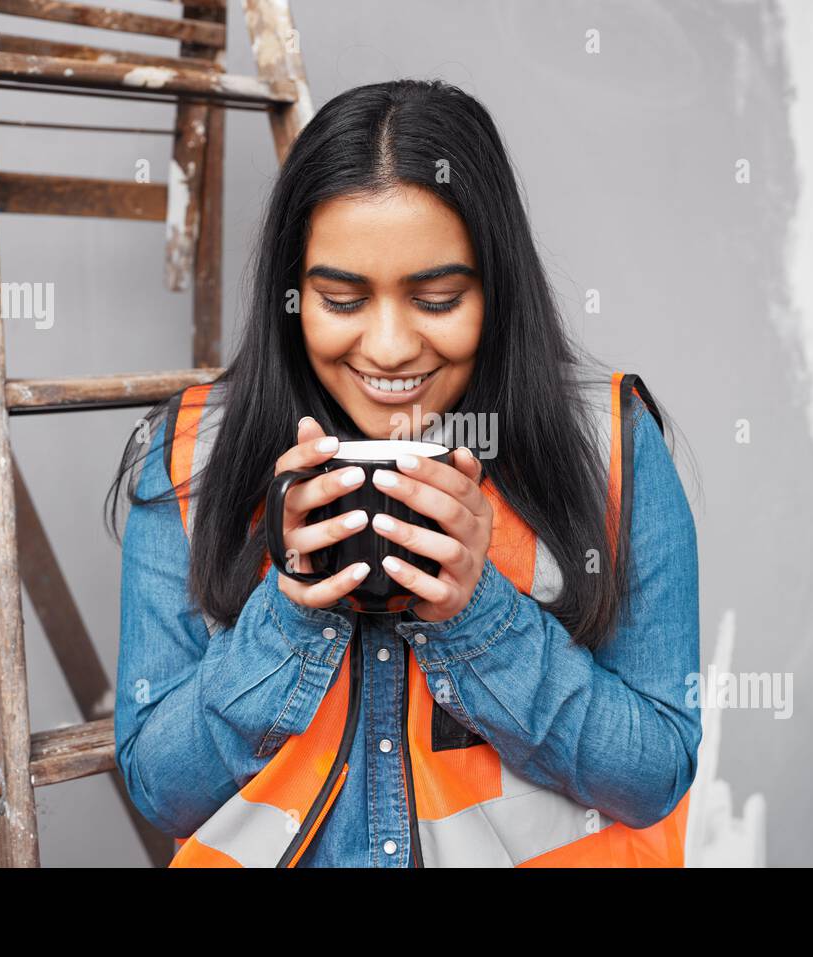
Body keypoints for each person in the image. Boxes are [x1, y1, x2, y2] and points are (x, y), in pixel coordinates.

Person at [108, 79, 701, 867]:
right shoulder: (195, 454)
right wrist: (291, 613)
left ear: (498, 290)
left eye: (438, 297)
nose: (388, 348)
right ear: (293, 297)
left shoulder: (608, 446)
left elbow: (655, 770)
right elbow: (158, 786)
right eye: (341, 299)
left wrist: (479, 616)